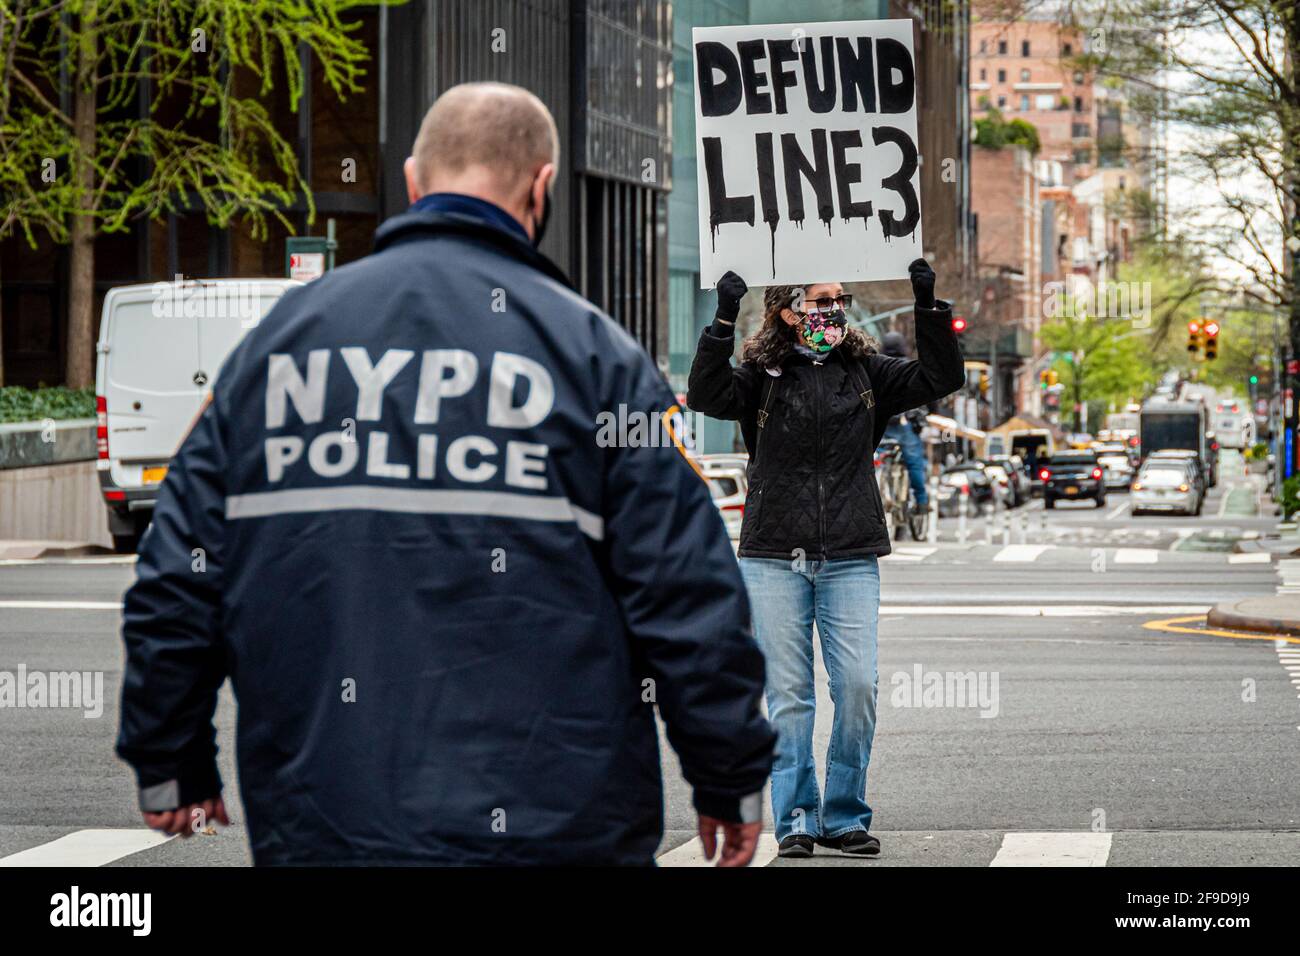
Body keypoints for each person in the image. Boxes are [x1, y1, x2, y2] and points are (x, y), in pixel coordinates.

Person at [116, 81, 776, 867]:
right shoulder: (596, 358)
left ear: (411, 182)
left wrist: (171, 763)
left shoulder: (276, 351)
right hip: (557, 825)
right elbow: (690, 594)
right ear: (543, 187)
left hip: (327, 822)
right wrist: (727, 779)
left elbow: (174, 582)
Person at [686, 261, 964, 858]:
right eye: (822, 300)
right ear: (790, 311)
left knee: (858, 687)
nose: (834, 310)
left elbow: (941, 376)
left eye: (841, 299)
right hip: (771, 557)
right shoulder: (761, 375)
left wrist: (927, 306)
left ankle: (845, 814)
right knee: (789, 697)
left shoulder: (867, 372)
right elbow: (707, 395)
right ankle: (797, 821)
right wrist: (724, 317)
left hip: (850, 554)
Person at [880, 331, 932, 511]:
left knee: (873, 457)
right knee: (914, 462)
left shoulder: (877, 366)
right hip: (904, 423)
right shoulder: (909, 367)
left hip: (882, 422)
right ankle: (921, 501)